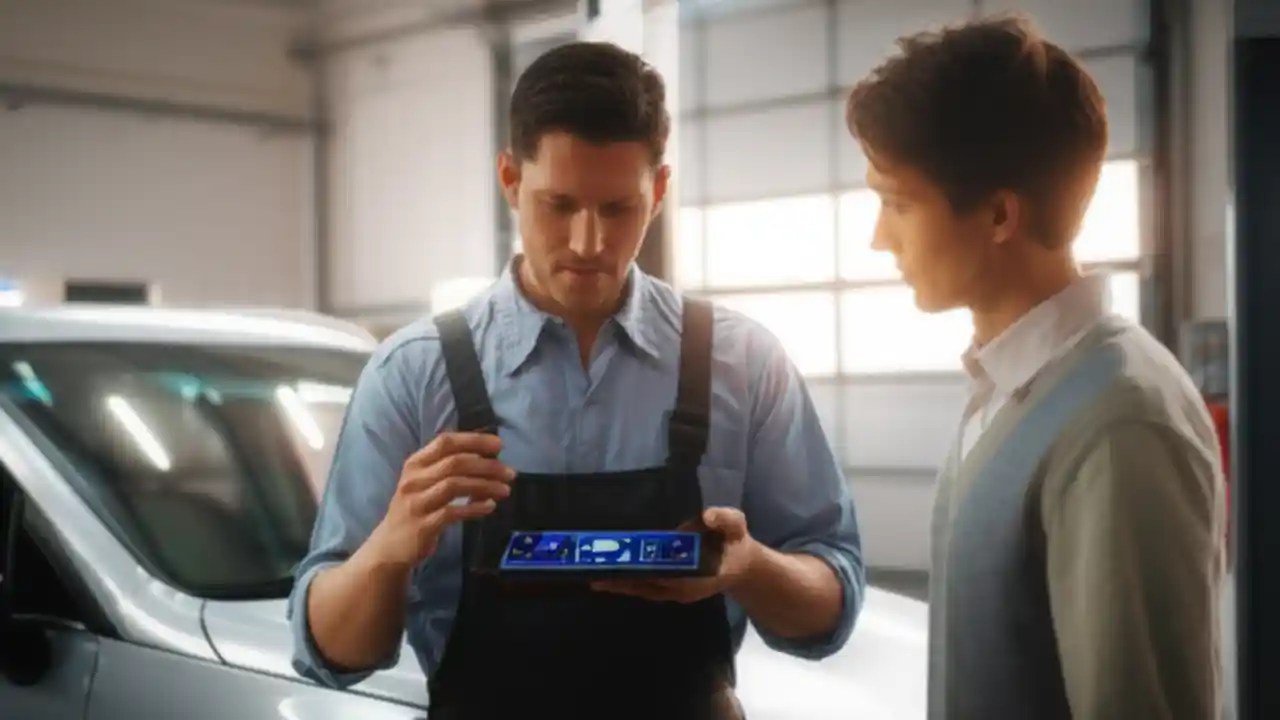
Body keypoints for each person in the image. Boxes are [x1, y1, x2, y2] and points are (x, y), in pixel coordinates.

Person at [289, 41, 865, 718]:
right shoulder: (414, 374)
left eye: (618, 209)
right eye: (558, 205)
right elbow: (333, 654)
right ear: (509, 180)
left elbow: (832, 604)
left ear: (659, 191)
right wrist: (387, 550)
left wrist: (750, 568)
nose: (589, 243)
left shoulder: (744, 363)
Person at [844, 16, 1225, 720]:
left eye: (897, 203)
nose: (878, 236)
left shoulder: (1119, 423)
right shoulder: (1009, 386)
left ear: (998, 216)